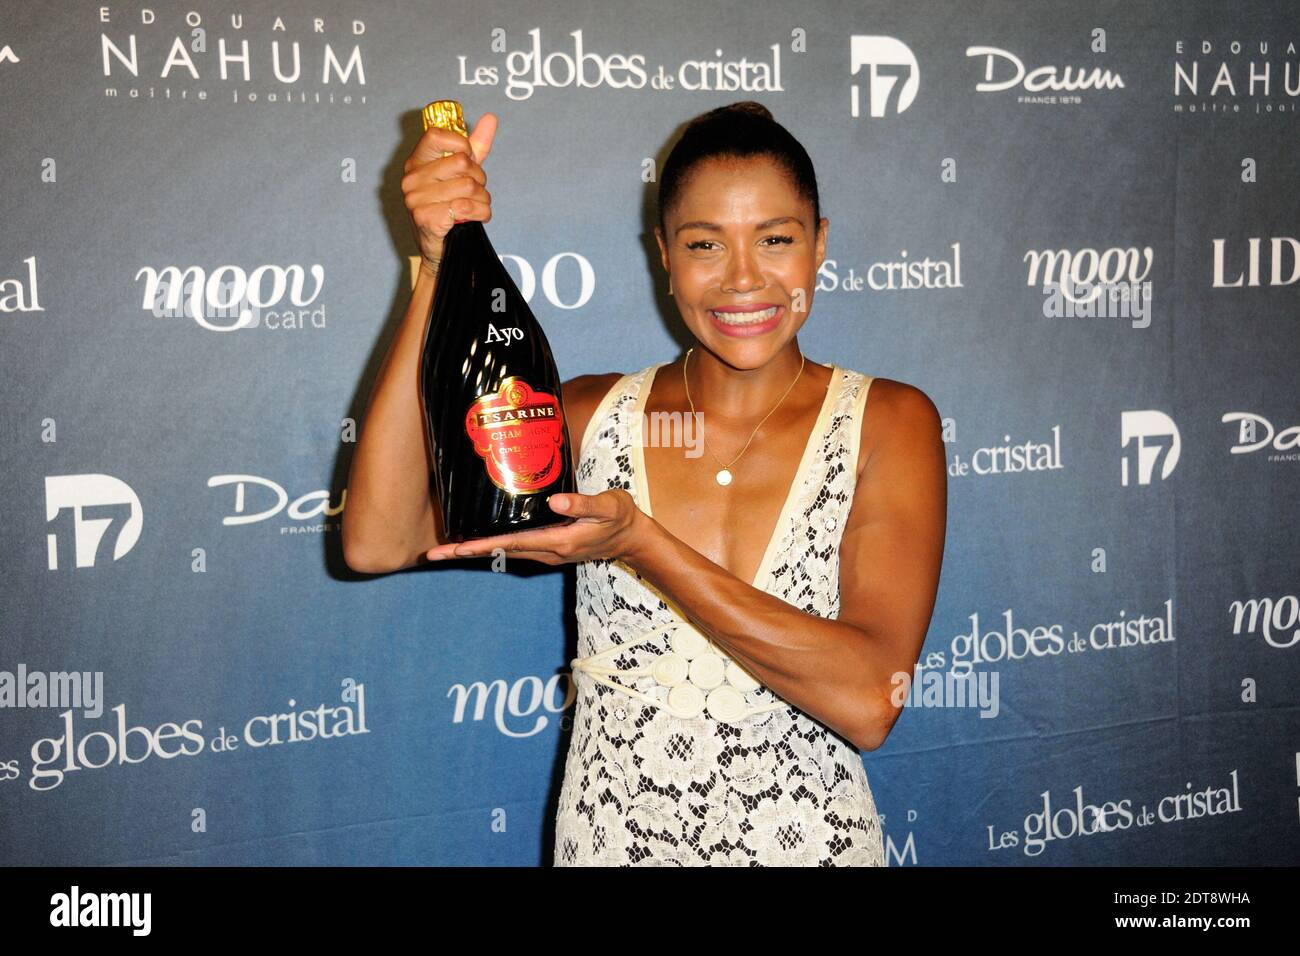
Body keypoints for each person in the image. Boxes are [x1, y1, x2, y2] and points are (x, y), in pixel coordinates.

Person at [343, 101, 947, 866]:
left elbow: (867, 701)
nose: (742, 280)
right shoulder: (592, 415)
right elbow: (378, 539)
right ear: (663, 254)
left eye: (776, 239)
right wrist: (436, 263)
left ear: (819, 245)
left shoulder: (887, 422)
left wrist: (642, 545)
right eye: (704, 244)